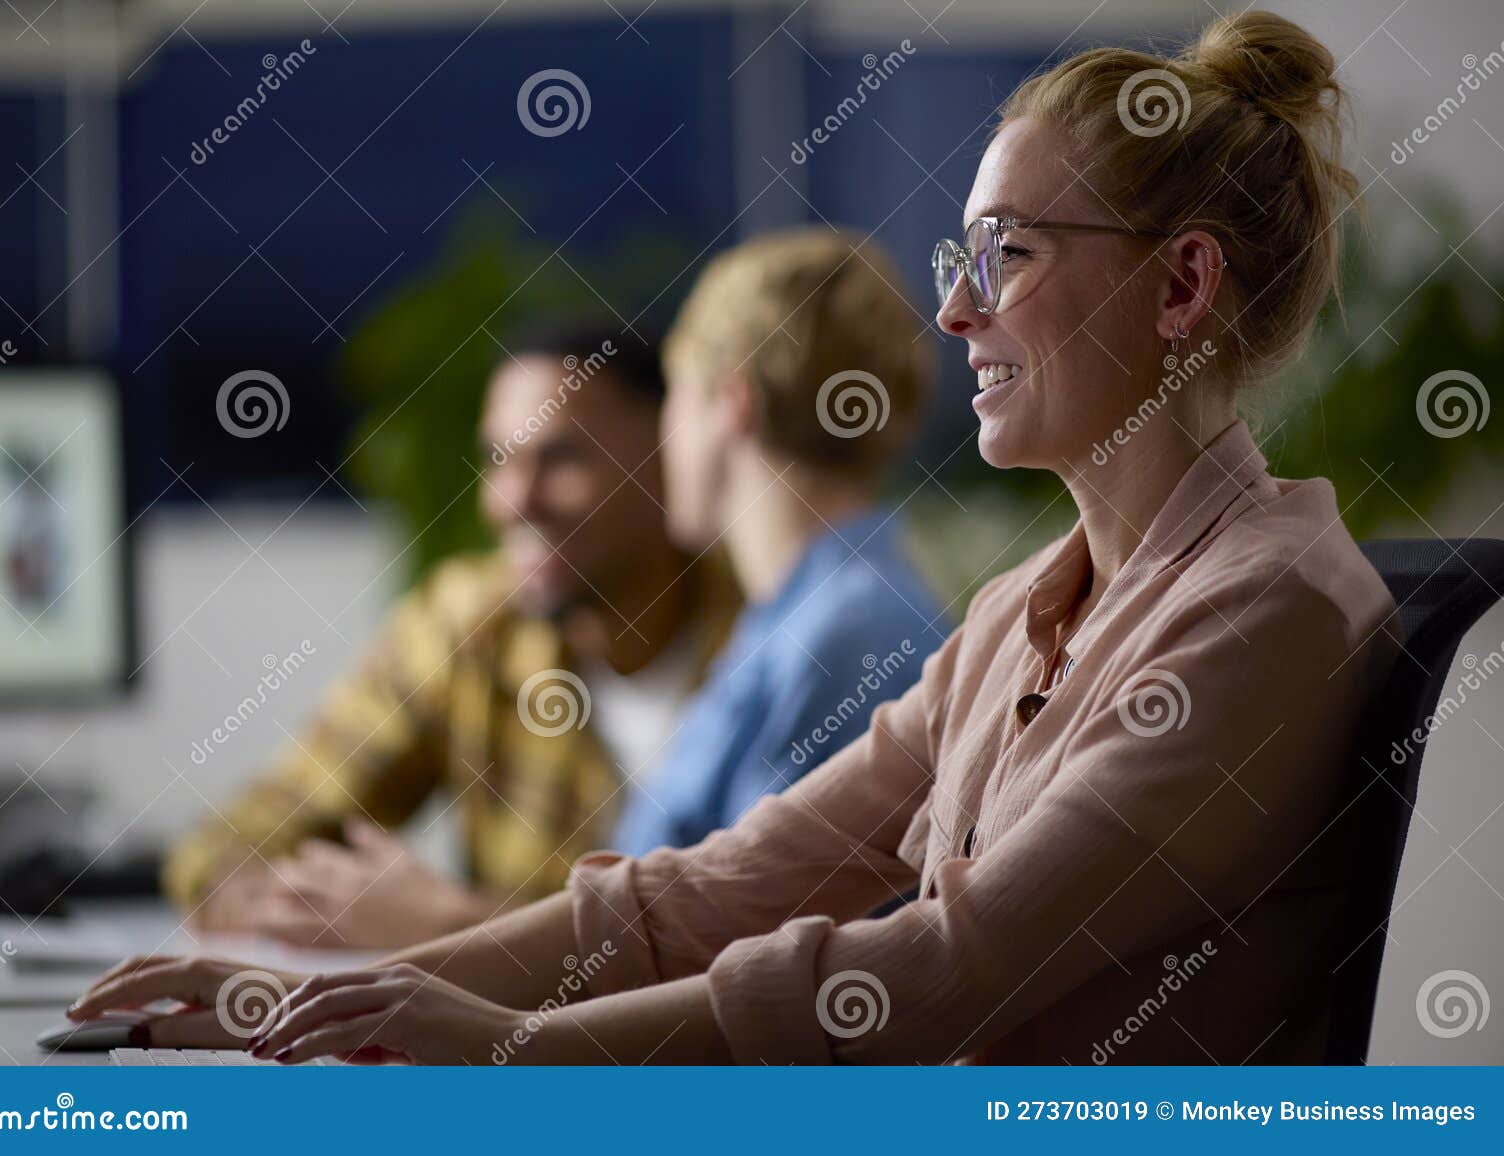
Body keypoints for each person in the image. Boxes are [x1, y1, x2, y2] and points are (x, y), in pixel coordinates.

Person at [76, 10, 1402, 1064]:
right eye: (956, 257)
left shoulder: (1265, 608)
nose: (955, 312)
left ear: (1181, 285)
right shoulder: (1019, 611)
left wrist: (507, 1047)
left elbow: (934, 976)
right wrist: (316, 1003)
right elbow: (699, 897)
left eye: (1007, 252)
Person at [162, 323, 741, 948]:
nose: (512, 502)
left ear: (669, 457)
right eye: (499, 460)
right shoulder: (469, 625)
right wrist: (293, 900)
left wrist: (459, 927)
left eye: (561, 459)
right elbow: (243, 837)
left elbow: (763, 946)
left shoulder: (768, 635)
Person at [608, 227, 942, 856]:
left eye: (678, 398)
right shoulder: (806, 614)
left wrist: (450, 911)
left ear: (731, 404)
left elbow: (741, 904)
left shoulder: (842, 634)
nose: (665, 438)